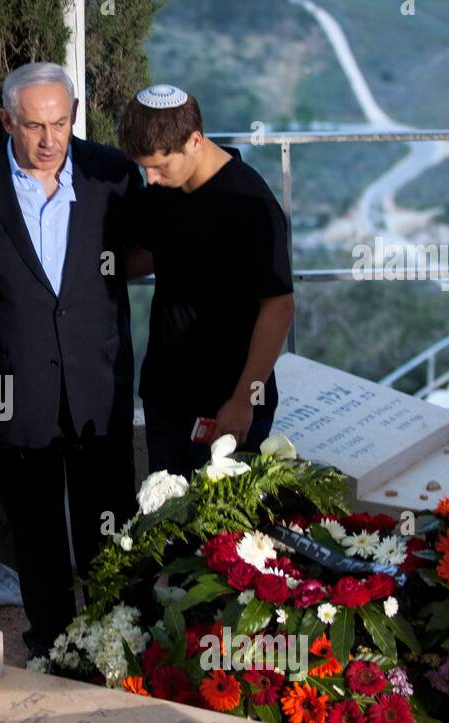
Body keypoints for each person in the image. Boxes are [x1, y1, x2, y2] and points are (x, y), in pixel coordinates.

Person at [0, 62, 148, 657]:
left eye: (60, 123)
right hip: (17, 392)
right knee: (36, 533)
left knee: (111, 524)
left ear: (74, 115)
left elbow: (142, 252)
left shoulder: (111, 173)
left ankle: (119, 644)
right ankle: (54, 649)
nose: (49, 140)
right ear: (7, 121)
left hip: (98, 385)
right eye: (33, 126)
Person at [118, 84, 295, 477]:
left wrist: (243, 400)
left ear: (195, 141)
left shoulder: (251, 205)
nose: (151, 178)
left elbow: (279, 306)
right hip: (166, 395)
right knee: (166, 514)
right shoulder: (166, 189)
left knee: (225, 517)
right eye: (144, 167)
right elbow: (157, 250)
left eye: (160, 166)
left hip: (228, 403)